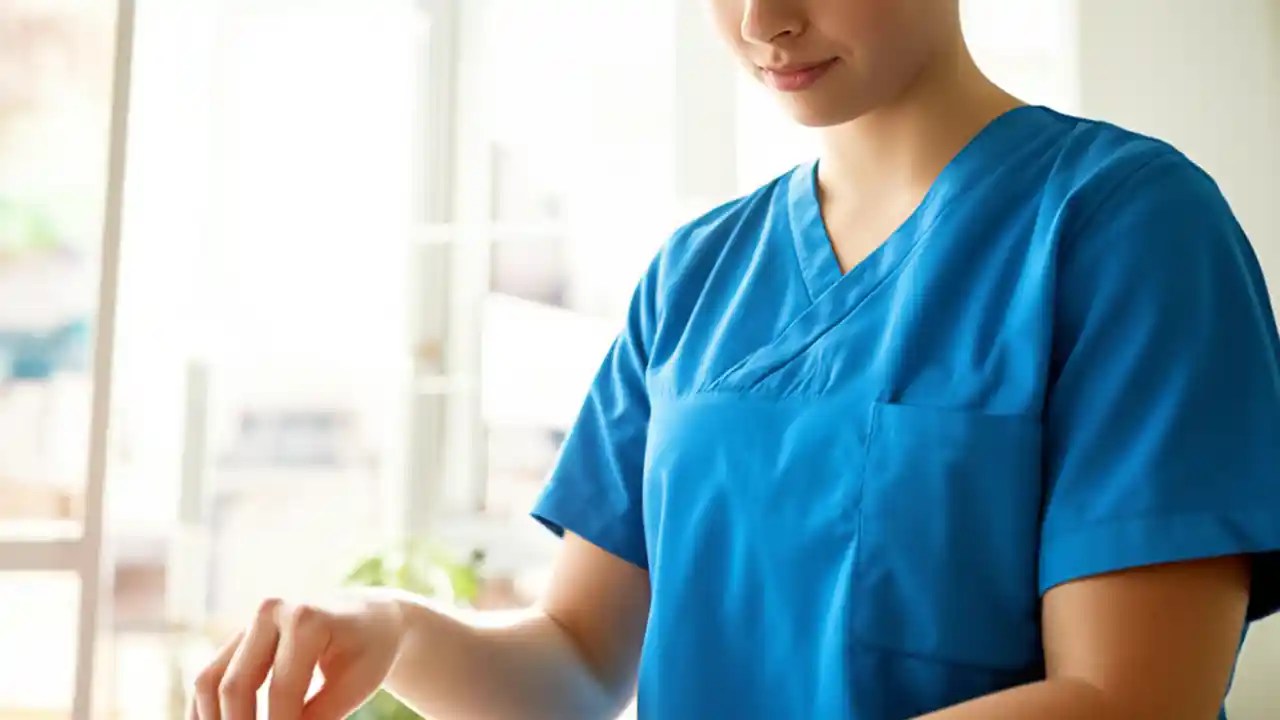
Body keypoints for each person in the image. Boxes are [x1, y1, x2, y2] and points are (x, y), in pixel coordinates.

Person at [191, 0, 1280, 718]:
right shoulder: (696, 274)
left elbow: (1132, 698)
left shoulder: (1125, 230)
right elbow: (577, 665)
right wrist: (392, 631)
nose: (762, 22)